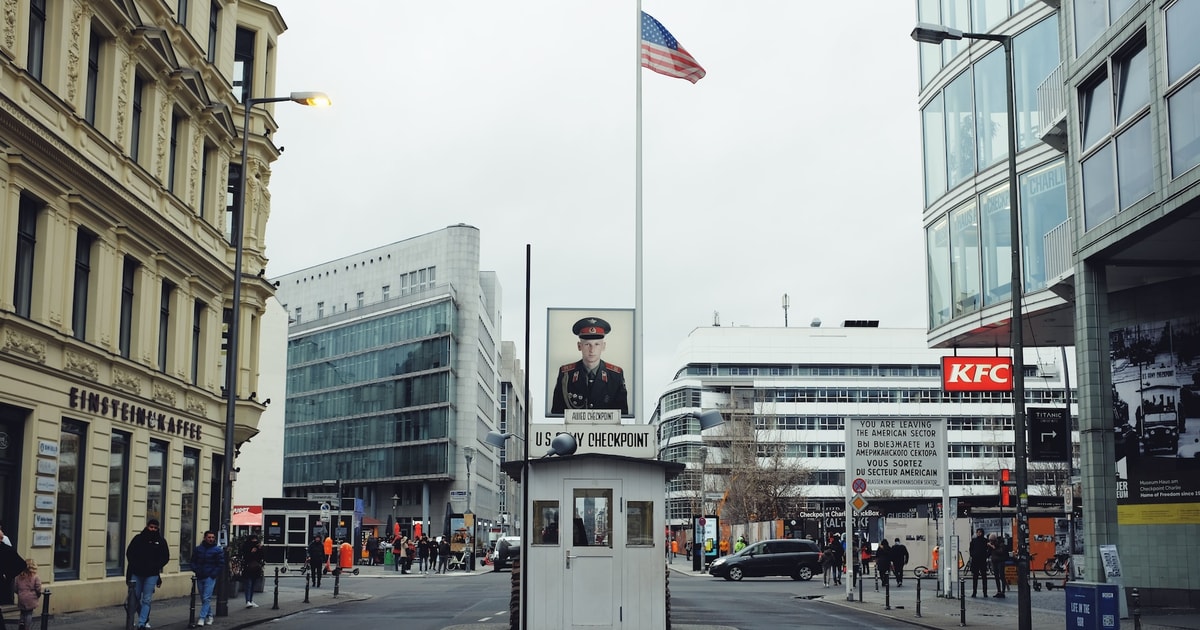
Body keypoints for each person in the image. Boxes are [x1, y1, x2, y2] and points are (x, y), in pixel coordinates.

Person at [551, 317, 629, 414]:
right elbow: (556, 414)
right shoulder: (566, 374)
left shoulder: (615, 375)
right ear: (579, 346)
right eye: (587, 344)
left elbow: (622, 416)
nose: (592, 350)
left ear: (603, 346)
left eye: (597, 344)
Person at [126, 518, 170, 630]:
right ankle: (142, 618)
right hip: (137, 573)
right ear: (147, 526)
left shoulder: (160, 541)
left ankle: (142, 623)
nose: (153, 529)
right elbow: (130, 553)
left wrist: (156, 566)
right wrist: (135, 565)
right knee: (134, 598)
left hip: (151, 574)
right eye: (151, 527)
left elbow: (165, 557)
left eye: (155, 528)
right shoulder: (138, 539)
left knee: (147, 599)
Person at [191, 531, 224, 625]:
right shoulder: (198, 549)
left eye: (213, 537)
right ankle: (210, 615)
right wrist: (196, 569)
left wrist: (213, 574)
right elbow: (193, 561)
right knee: (203, 598)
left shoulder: (217, 550)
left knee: (206, 598)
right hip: (200, 575)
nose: (211, 539)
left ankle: (202, 618)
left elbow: (220, 564)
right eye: (209, 537)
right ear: (205, 538)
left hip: (210, 576)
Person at [13, 557, 41, 630]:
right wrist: (38, 594)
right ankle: (27, 627)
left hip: (21, 597)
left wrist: (20, 593)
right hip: (31, 598)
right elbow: (38, 588)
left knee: (22, 613)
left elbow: (15, 588)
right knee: (29, 613)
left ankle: (21, 623)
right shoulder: (35, 577)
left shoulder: (18, 577)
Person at [240, 534, 265, 608]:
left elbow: (261, 557)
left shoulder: (258, 547)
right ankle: (248, 600)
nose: (254, 541)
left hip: (255, 568)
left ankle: (250, 600)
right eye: (253, 539)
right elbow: (245, 557)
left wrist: (260, 549)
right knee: (248, 584)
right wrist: (251, 552)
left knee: (252, 585)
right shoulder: (246, 547)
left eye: (255, 539)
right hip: (248, 568)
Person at [969, 528, 990, 597]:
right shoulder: (974, 541)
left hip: (982, 560)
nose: (979, 533)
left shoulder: (985, 541)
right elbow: (970, 549)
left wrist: (986, 556)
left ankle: (985, 592)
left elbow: (989, 549)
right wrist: (973, 554)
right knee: (975, 577)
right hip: (975, 560)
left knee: (984, 577)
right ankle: (974, 592)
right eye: (978, 532)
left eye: (980, 532)